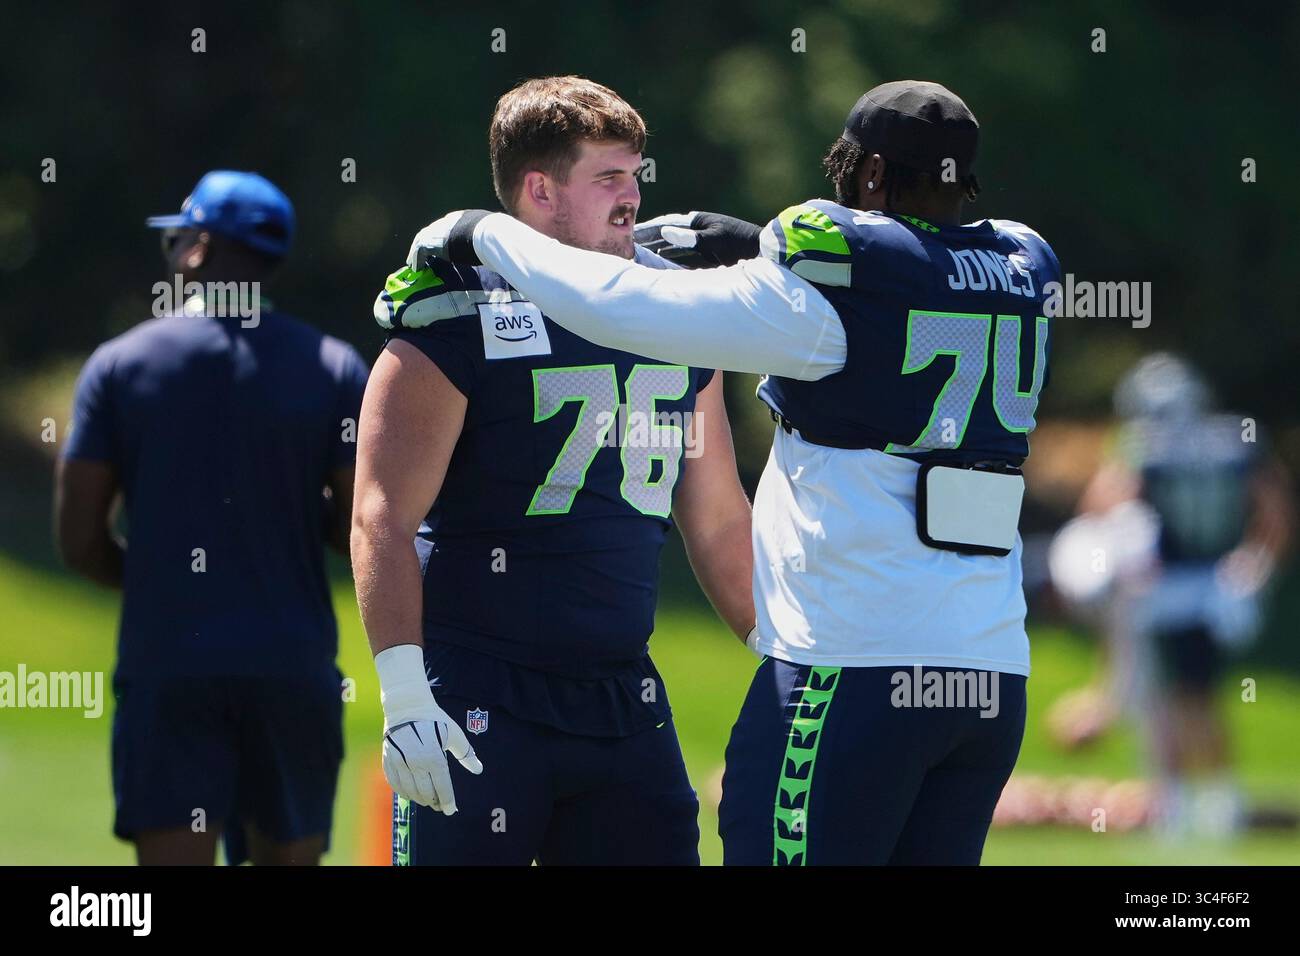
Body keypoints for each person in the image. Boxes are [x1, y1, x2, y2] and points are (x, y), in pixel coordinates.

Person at [404, 79, 1060, 864]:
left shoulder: (831, 288)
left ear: (874, 175)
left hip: (854, 663)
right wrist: (747, 246)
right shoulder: (1021, 267)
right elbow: (915, 282)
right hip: (988, 674)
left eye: (849, 174)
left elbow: (618, 303)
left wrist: (481, 233)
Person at [351, 76, 754, 865]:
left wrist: (783, 659)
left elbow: (715, 516)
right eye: (608, 176)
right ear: (539, 190)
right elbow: (380, 515)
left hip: (621, 692)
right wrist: (404, 696)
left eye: (635, 173)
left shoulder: (674, 309)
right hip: (477, 691)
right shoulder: (459, 308)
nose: (632, 196)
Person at [56, 170, 368, 865]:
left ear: (197, 250)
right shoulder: (335, 366)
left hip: (171, 666)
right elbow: (359, 530)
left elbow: (78, 539)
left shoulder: (120, 366)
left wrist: (162, 587)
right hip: (291, 668)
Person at [1048, 352, 1294, 837]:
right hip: (1221, 588)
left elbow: (1098, 506)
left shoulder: (1145, 447)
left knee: (1172, 697)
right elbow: (1277, 512)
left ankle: (1193, 804)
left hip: (1167, 587)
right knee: (1194, 694)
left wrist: (1120, 550)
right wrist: (1255, 567)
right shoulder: (1234, 437)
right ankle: (1203, 802)